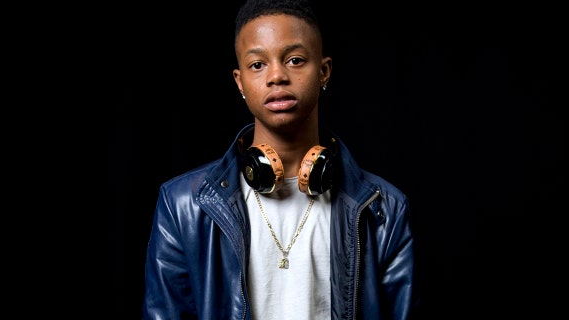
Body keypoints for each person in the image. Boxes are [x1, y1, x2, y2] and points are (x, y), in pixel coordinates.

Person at [142, 0, 417, 319]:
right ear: (239, 81)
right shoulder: (182, 206)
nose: (277, 76)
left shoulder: (384, 209)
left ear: (324, 72)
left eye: (295, 60)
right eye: (257, 64)